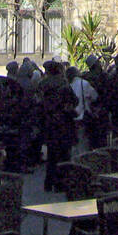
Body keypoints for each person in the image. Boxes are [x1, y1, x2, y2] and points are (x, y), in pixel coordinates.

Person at [38, 61, 77, 192]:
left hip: (49, 123)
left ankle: (49, 182)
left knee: (52, 155)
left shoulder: (42, 84)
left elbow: (39, 104)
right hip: (64, 123)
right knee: (64, 155)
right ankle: (61, 182)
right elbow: (74, 100)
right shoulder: (63, 84)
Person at [69, 64, 99, 153]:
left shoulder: (68, 85)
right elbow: (95, 96)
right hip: (83, 116)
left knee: (74, 141)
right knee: (83, 140)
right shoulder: (84, 83)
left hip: (72, 117)